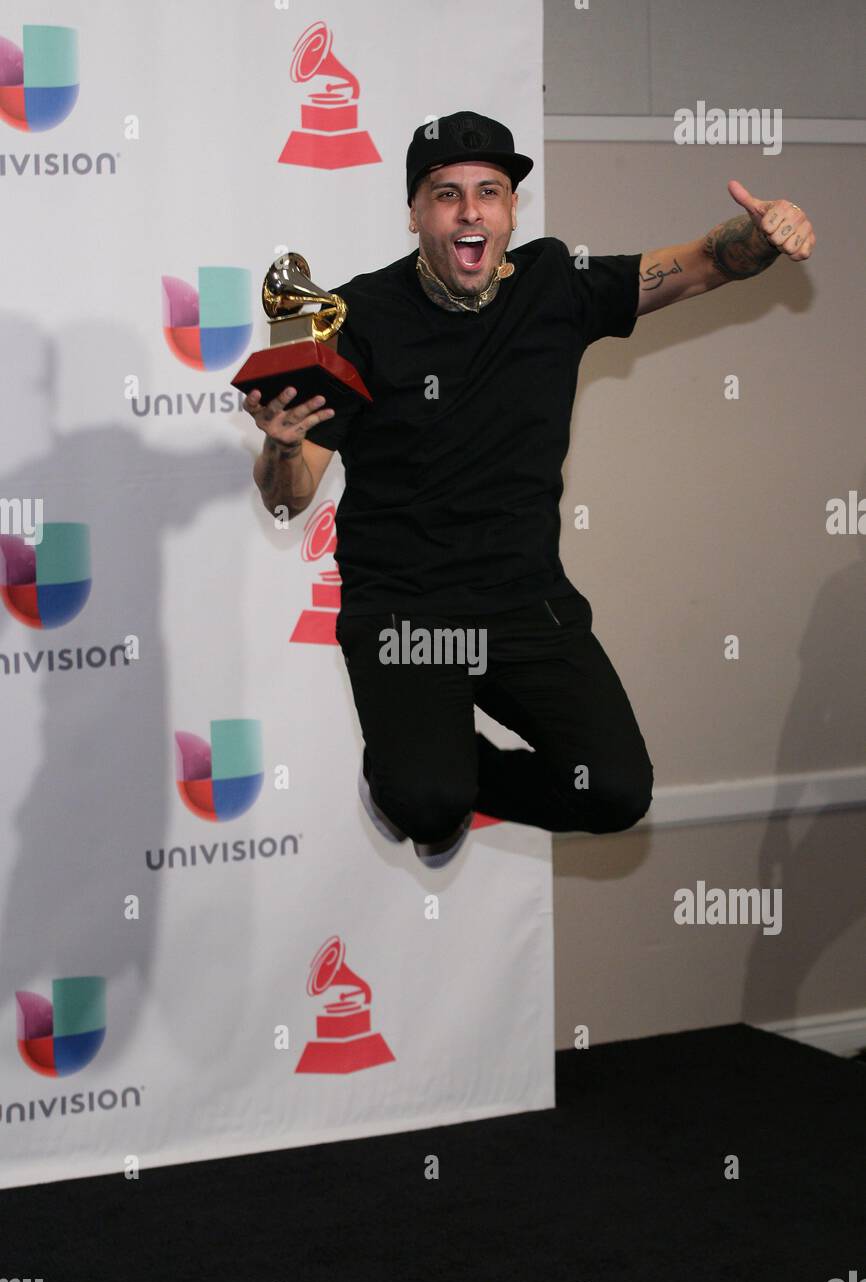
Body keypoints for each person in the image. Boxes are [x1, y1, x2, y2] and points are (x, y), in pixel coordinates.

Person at [246, 110, 815, 869]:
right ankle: (416, 777)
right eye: (446, 194)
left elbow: (706, 262)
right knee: (425, 803)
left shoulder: (557, 285)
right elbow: (289, 497)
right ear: (415, 213)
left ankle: (455, 769)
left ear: (513, 210)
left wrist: (766, 236)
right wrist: (280, 448)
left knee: (615, 791)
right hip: (406, 611)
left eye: (490, 191)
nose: (470, 210)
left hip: (523, 603)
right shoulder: (359, 319)